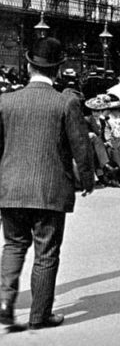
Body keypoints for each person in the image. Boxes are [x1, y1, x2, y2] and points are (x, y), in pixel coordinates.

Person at [0, 37, 94, 330]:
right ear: (58, 68)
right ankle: (39, 316)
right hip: (50, 189)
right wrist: (88, 178)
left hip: (10, 188)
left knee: (13, 246)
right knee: (46, 252)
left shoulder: (5, 101)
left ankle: (5, 302)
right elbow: (81, 146)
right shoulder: (66, 101)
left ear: (28, 65)